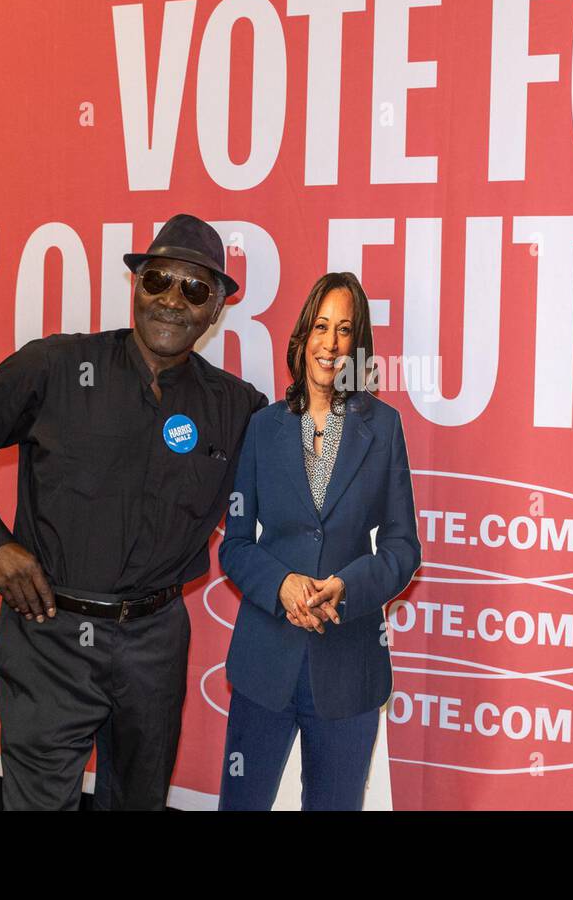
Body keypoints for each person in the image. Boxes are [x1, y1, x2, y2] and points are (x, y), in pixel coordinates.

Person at [0, 213, 266, 810]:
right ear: (135, 286)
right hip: (49, 635)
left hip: (156, 644)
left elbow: (298, 480)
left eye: (194, 290)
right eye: (158, 280)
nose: (171, 301)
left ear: (215, 311)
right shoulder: (55, 366)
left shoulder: (237, 408)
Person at [217, 272, 421, 810]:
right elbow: (234, 544)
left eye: (345, 330)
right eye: (321, 327)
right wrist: (281, 584)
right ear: (303, 336)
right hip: (266, 660)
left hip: (349, 666)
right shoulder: (263, 427)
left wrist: (346, 587)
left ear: (359, 345)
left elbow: (403, 548)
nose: (330, 344)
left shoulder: (385, 428)